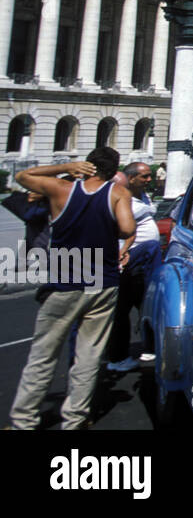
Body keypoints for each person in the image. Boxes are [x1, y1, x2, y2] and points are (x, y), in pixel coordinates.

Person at [8, 148, 135, 430]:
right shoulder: (117, 193)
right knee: (88, 356)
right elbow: (127, 229)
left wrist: (65, 166)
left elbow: (22, 176)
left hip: (65, 282)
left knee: (42, 356)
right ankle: (75, 419)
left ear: (87, 165)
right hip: (103, 282)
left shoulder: (60, 188)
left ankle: (23, 422)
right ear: (114, 169)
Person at [105, 163, 161, 372]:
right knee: (122, 310)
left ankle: (151, 347)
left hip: (140, 266)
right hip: (129, 261)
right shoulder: (121, 199)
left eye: (149, 175)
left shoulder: (142, 196)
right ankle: (117, 357)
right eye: (144, 176)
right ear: (131, 178)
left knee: (145, 305)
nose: (149, 179)